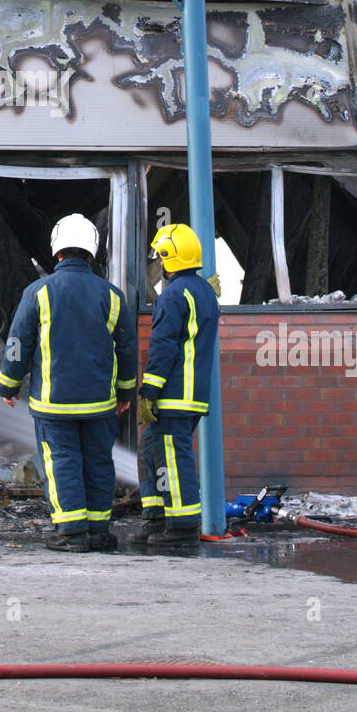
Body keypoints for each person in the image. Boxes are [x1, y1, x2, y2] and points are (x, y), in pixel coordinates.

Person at [0, 213, 138, 553]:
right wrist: (125, 392)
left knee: (61, 462)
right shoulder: (113, 295)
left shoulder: (37, 292)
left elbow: (18, 342)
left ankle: (72, 533)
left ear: (57, 252)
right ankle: (98, 532)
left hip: (53, 403)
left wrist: (8, 385)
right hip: (99, 404)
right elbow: (128, 348)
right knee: (98, 462)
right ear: (92, 252)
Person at [128, 222, 219, 553]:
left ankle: (180, 527)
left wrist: (149, 391)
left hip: (175, 394)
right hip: (192, 395)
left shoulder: (172, 296)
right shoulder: (204, 291)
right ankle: (156, 519)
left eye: (161, 258)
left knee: (171, 457)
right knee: (150, 451)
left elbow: (163, 346)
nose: (159, 264)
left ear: (170, 258)